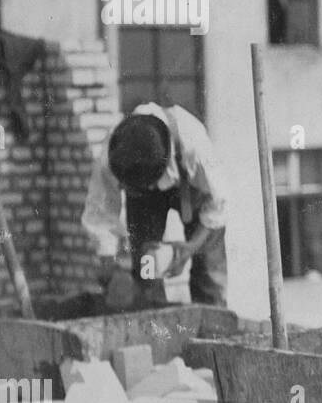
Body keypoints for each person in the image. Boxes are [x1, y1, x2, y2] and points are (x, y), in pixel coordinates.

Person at [82, 102, 228, 307]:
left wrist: (191, 247)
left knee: (209, 270)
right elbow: (100, 212)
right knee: (147, 265)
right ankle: (154, 321)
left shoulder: (194, 144)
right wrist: (111, 265)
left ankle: (214, 324)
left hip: (195, 191)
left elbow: (218, 203)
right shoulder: (115, 151)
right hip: (145, 197)